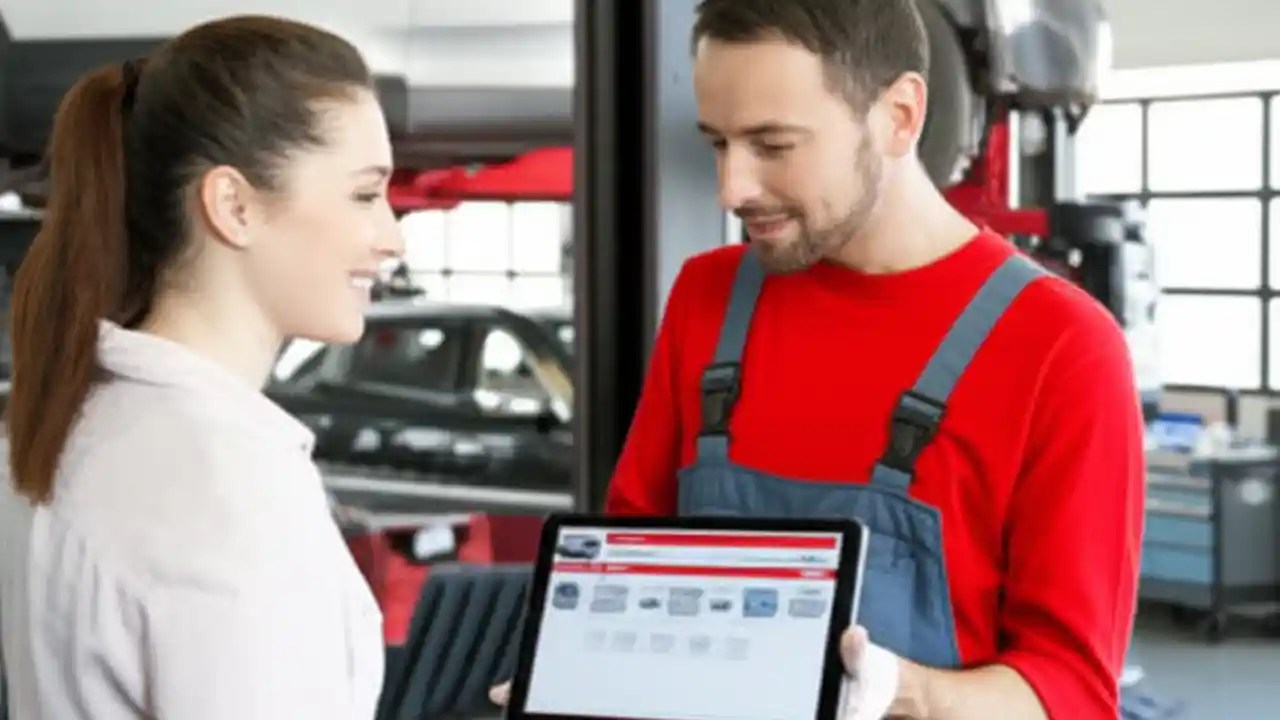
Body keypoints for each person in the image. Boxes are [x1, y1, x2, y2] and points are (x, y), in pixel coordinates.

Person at [498, 0, 1144, 718]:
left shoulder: (1061, 347)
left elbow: (1073, 693)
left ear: (899, 115)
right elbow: (630, 552)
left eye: (773, 146)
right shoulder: (708, 298)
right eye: (718, 143)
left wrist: (906, 693)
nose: (732, 187)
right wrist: (577, 669)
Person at [0, 15, 403, 719]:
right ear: (234, 206)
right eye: (365, 195)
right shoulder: (225, 478)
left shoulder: (68, 421)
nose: (391, 237)